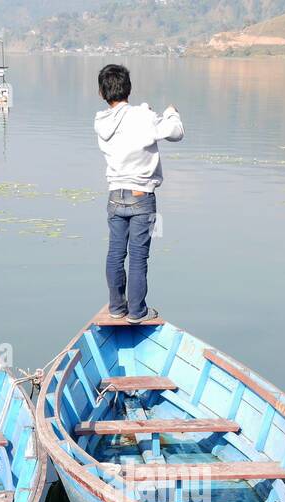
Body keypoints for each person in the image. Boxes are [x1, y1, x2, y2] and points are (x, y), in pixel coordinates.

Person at [94, 64, 183, 323]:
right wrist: (171, 114)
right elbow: (176, 133)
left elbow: (126, 121)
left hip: (115, 195)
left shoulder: (100, 121)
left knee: (115, 253)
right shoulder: (143, 116)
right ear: (128, 89)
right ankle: (136, 312)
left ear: (102, 93)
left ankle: (116, 307)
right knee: (138, 256)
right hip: (141, 196)